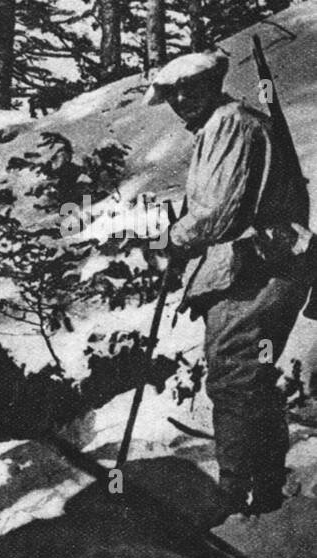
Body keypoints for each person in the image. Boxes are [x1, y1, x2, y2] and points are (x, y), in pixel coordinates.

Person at [146, 50, 310, 517]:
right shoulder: (224, 125)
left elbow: (217, 213)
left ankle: (237, 499)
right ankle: (263, 494)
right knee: (244, 377)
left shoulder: (229, 123)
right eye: (173, 94)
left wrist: (174, 237)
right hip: (258, 265)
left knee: (236, 377)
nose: (181, 101)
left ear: (212, 84)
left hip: (255, 266)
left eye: (190, 89)